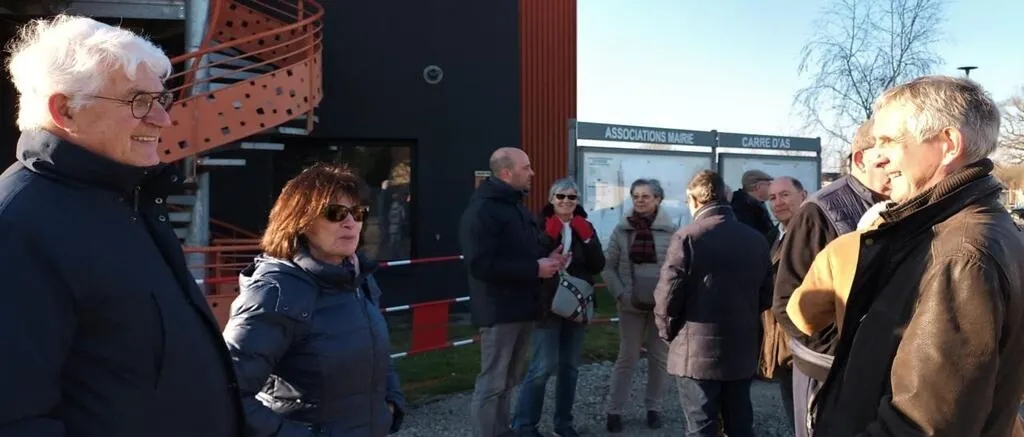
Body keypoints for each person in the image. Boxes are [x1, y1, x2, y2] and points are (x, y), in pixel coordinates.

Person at [0, 15, 243, 437]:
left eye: (160, 100)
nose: (162, 120)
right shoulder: (19, 224)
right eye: (138, 102)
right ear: (65, 109)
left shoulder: (129, 199)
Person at [811, 75, 1024, 436]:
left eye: (889, 141)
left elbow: (923, 426)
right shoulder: (957, 232)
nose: (877, 158)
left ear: (948, 144)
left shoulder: (961, 255)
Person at [222, 163, 406, 437]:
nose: (351, 223)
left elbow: (376, 355)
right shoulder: (276, 290)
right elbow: (228, 394)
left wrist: (391, 405)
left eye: (358, 213)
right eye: (336, 213)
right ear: (301, 220)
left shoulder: (358, 278)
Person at [772, 118, 890, 437]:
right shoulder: (820, 212)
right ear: (861, 159)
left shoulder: (896, 204)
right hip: (828, 370)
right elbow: (787, 304)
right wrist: (842, 354)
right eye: (885, 162)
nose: (894, 171)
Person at [654, 169, 773, 437]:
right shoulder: (756, 240)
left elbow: (668, 296)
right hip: (741, 349)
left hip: (695, 353)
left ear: (694, 200)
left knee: (701, 428)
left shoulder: (687, 238)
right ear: (726, 196)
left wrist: (668, 333)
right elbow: (766, 293)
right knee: (740, 424)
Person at [459, 147, 569, 437]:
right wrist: (535, 268)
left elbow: (524, 250)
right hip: (499, 311)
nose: (532, 173)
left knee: (508, 381)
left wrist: (550, 255)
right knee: (492, 383)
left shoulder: (514, 206)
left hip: (521, 307)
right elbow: (481, 265)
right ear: (506, 172)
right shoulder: (483, 211)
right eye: (526, 167)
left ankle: (502, 431)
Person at [511, 177, 605, 437]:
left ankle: (564, 424)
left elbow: (598, 265)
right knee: (542, 366)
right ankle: (525, 425)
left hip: (576, 305)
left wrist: (587, 238)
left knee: (570, 367)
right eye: (560, 196)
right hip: (546, 304)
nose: (566, 201)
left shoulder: (585, 226)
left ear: (577, 201)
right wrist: (548, 236)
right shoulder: (538, 225)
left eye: (571, 197)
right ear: (551, 199)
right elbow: (532, 261)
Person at [603, 178, 678, 433]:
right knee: (628, 357)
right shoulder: (621, 230)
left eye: (646, 196)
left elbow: (678, 269)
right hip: (629, 304)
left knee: (659, 358)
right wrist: (621, 294)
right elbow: (608, 266)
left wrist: (669, 298)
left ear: (658, 199)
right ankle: (614, 411)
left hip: (661, 307)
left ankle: (654, 408)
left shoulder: (671, 232)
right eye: (636, 196)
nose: (640, 200)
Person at [759, 176, 808, 429]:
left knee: (811, 414)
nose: (778, 202)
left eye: (785, 195)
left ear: (804, 195)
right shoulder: (773, 235)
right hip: (780, 340)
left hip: (805, 340)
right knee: (793, 411)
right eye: (772, 197)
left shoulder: (813, 234)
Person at [730, 169, 775, 240]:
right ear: (758, 186)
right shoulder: (742, 208)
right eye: (769, 184)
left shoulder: (754, 205)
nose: (772, 188)